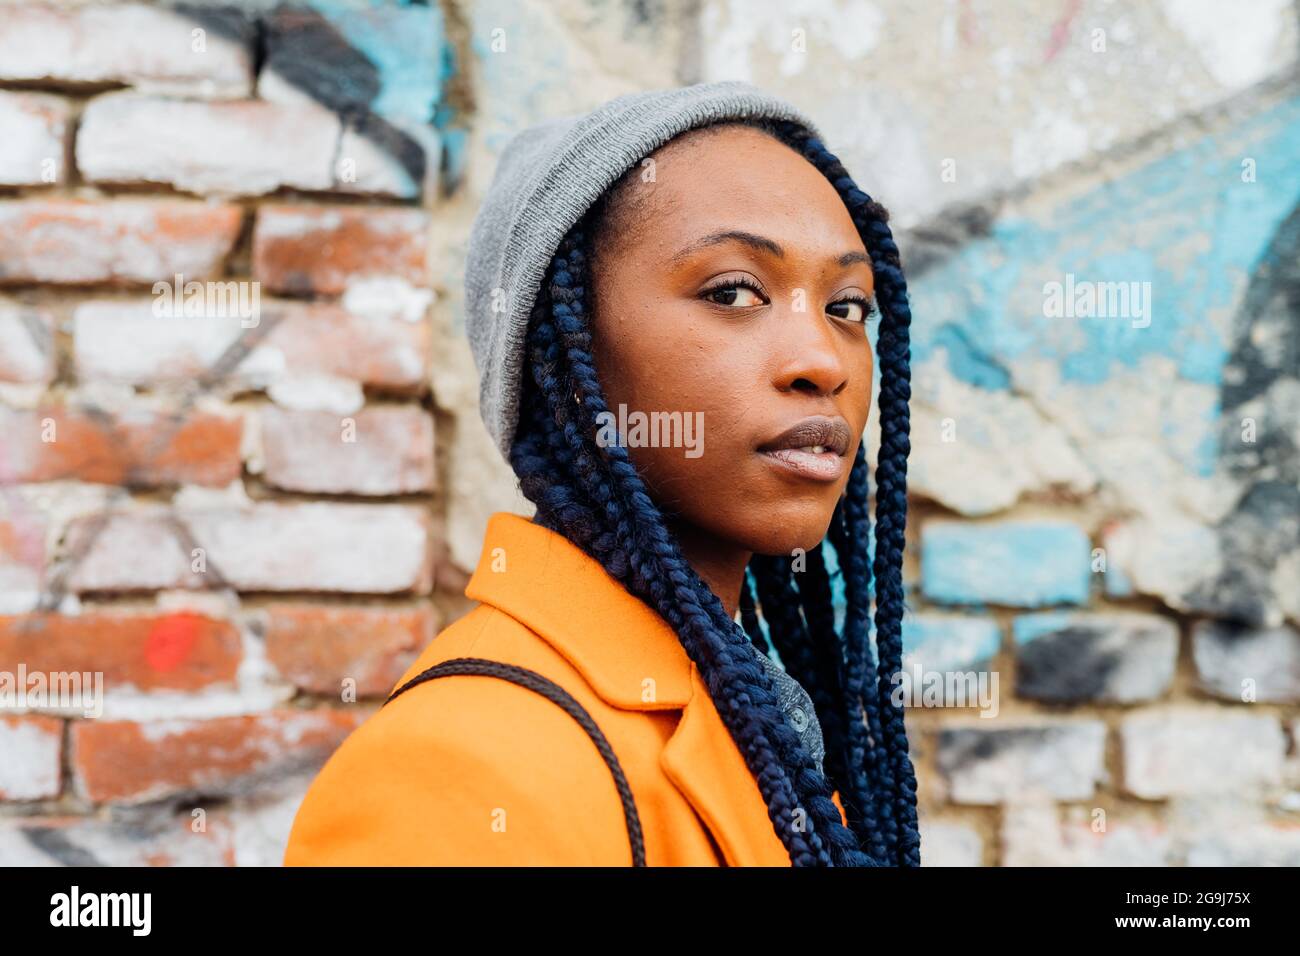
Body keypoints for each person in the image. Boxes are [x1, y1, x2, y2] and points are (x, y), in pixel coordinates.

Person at [284, 81, 921, 867]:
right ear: (568, 358)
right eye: (733, 292)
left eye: (847, 307)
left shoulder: (758, 721)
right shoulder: (460, 766)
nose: (823, 361)